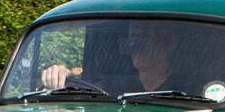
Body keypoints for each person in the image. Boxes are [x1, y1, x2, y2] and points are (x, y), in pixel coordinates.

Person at [39, 20, 172, 92]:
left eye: (143, 39)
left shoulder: (186, 90)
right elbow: (88, 92)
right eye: (131, 41)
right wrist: (60, 76)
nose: (135, 47)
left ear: (166, 42)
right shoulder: (114, 87)